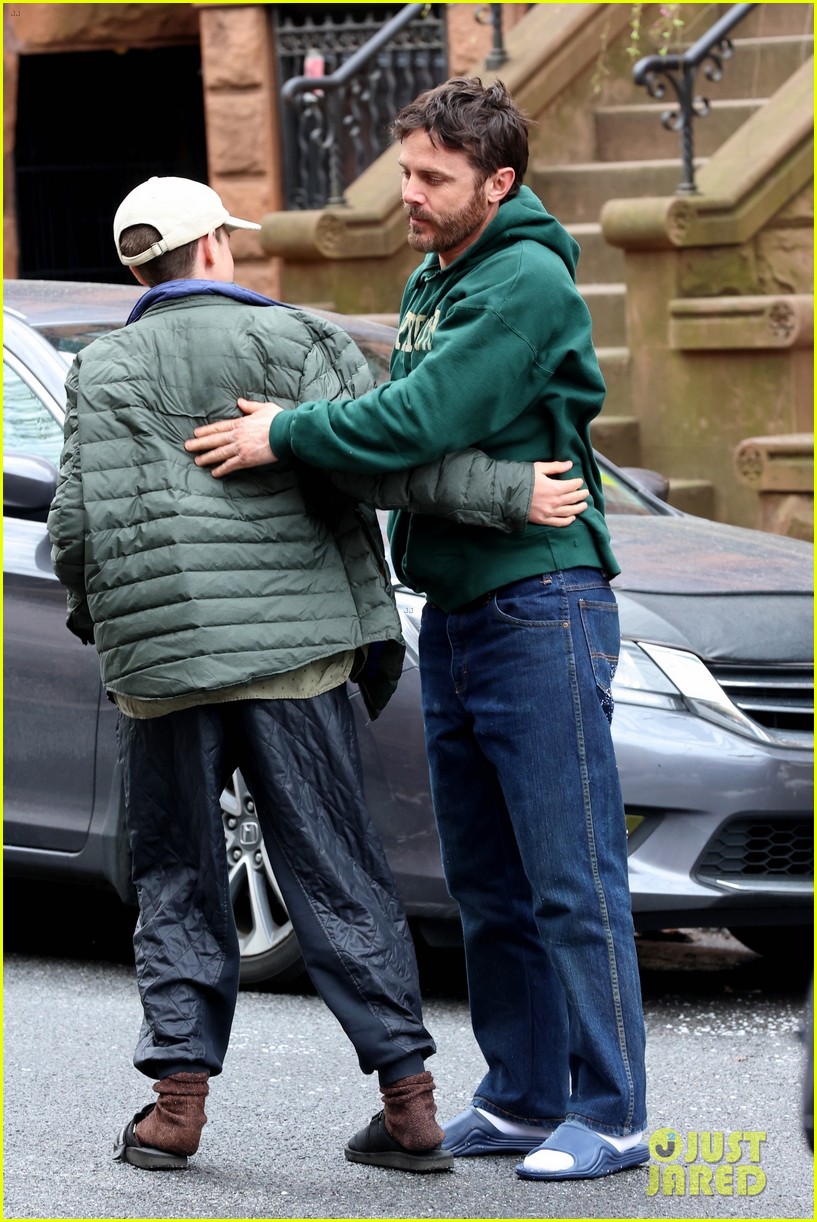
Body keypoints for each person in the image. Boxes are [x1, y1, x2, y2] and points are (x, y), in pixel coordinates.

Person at [46, 174, 589, 1175]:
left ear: (138, 265)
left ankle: (174, 1110)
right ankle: (411, 1104)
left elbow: (73, 529)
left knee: (175, 875)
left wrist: (113, 626)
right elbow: (378, 463)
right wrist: (509, 492)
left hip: (161, 673)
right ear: (213, 246)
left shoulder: (103, 363)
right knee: (335, 866)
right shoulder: (297, 339)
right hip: (297, 663)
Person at [185, 77, 649, 1183]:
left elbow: (411, 422)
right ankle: (525, 1096)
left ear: (500, 181)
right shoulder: (436, 274)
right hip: (459, 607)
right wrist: (384, 455)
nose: (412, 194)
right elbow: (402, 454)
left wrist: (290, 432)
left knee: (571, 875)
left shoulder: (525, 282)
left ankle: (614, 1114)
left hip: (545, 604)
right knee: (488, 882)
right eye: (407, 173)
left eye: (435, 179)